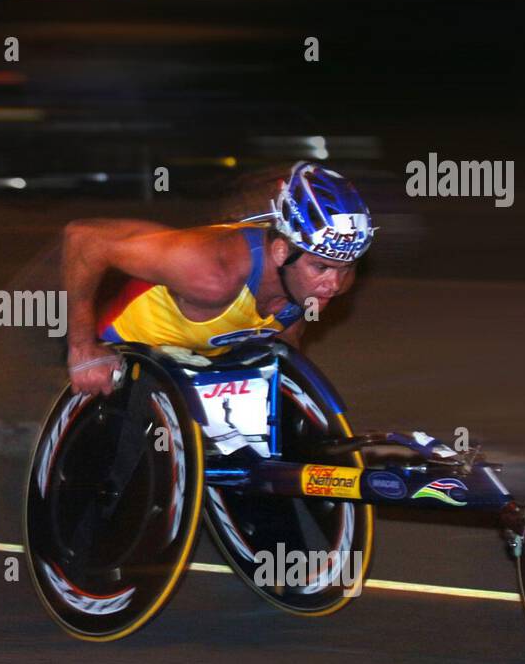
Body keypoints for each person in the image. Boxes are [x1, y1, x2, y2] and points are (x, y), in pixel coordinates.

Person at [61, 161, 374, 451]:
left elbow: (284, 345)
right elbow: (85, 239)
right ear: (281, 251)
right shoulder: (211, 272)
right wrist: (82, 347)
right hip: (126, 358)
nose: (334, 285)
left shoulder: (316, 284)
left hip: (200, 364)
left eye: (346, 268)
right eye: (322, 268)